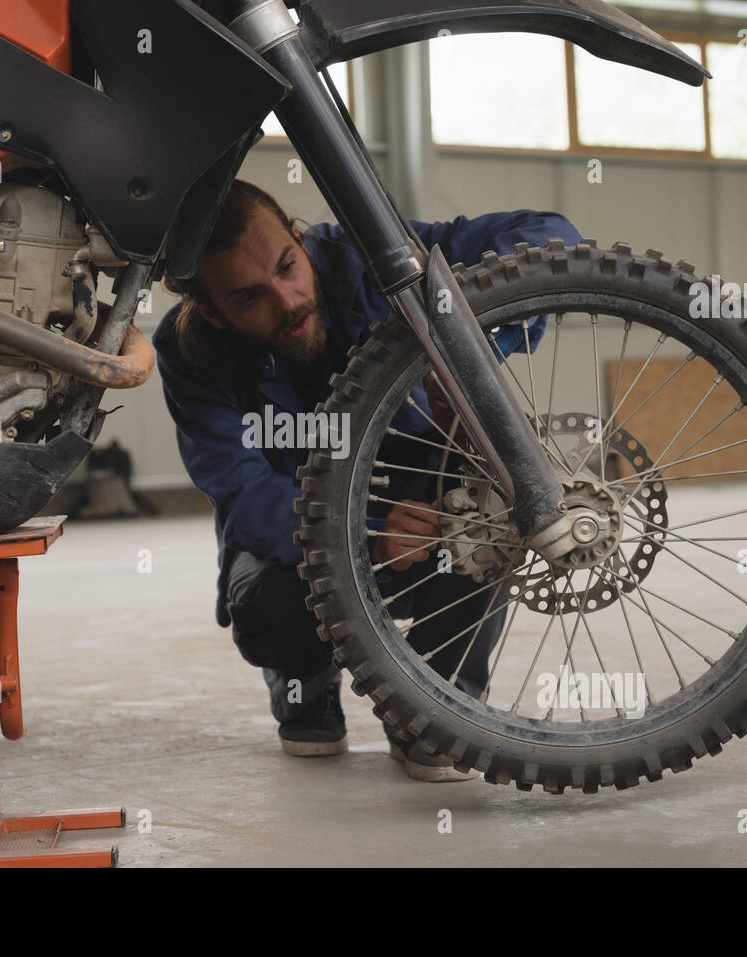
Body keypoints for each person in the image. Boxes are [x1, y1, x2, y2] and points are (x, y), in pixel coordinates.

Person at [154, 180, 580, 781]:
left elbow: (550, 234)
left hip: (421, 499)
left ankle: (438, 700)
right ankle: (305, 685)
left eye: (287, 267)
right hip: (301, 535)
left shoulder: (375, 258)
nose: (288, 301)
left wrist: (478, 343)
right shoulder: (188, 352)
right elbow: (244, 493)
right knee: (270, 602)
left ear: (299, 236)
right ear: (213, 312)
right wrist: (370, 532)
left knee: (482, 514)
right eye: (250, 298)